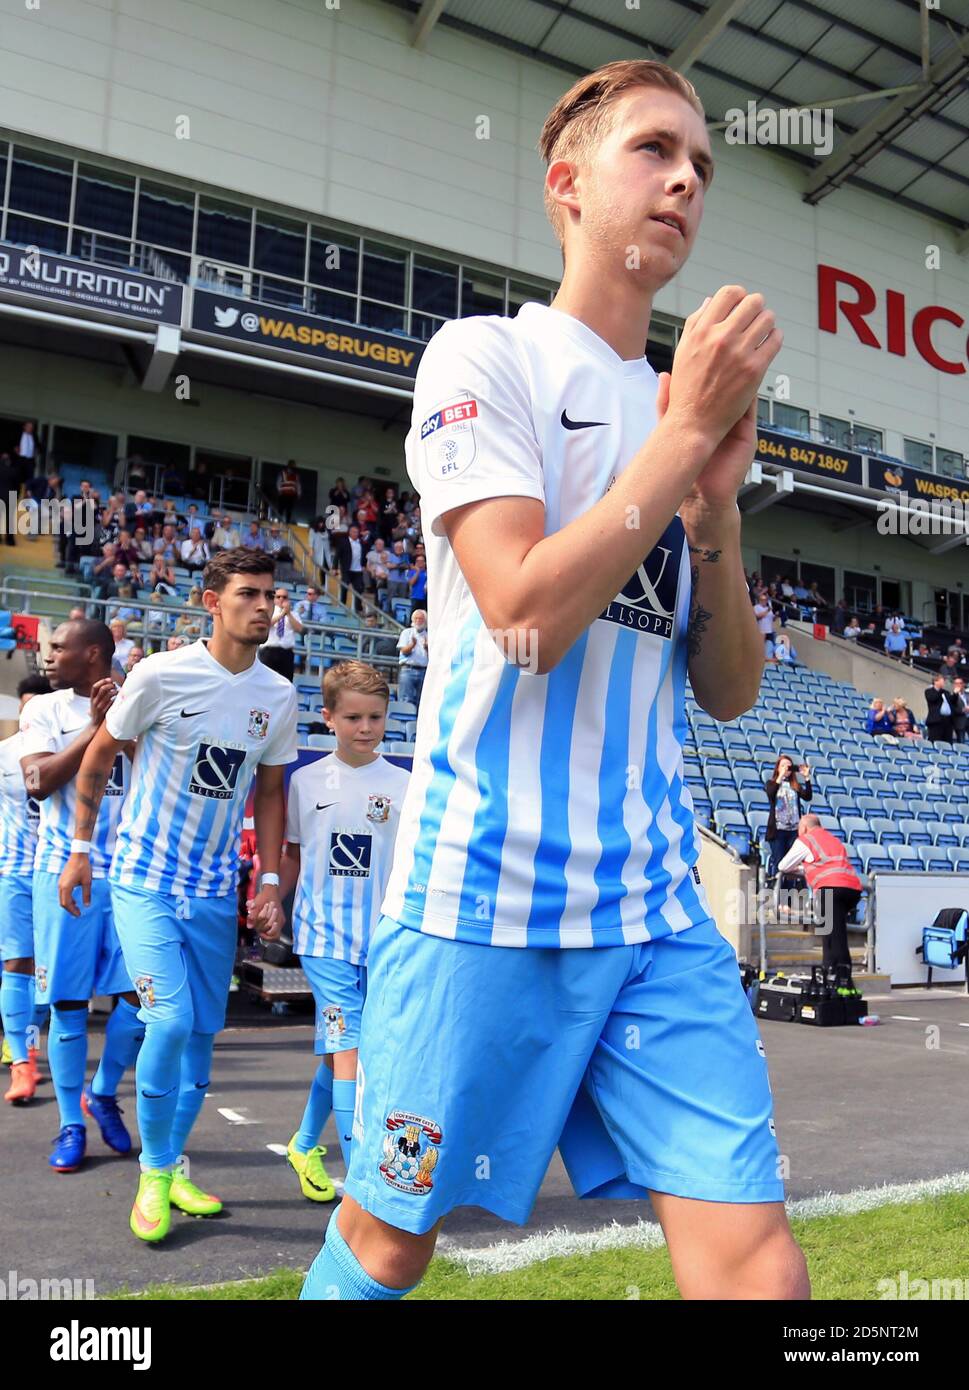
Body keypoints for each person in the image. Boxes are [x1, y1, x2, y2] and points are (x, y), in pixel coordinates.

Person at [301, 59, 807, 1302]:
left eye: (702, 163)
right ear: (568, 185)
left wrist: (718, 510)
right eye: (654, 150)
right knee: (386, 1243)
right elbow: (522, 603)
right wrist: (685, 437)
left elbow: (732, 689)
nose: (687, 177)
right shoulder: (486, 358)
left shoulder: (682, 409)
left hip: (653, 915)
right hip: (485, 900)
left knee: (755, 1260)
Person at [57, 550, 299, 1243]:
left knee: (199, 1038)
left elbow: (273, 790)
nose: (263, 607)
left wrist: (273, 880)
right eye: (249, 594)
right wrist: (80, 853)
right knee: (166, 1021)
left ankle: (170, 1164)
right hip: (143, 880)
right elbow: (102, 756)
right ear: (209, 601)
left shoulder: (277, 696)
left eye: (271, 596)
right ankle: (155, 1173)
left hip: (216, 891)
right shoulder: (160, 675)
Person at [280, 661, 410, 1202]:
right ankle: (361, 1180)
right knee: (352, 1049)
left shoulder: (405, 785)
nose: (365, 726)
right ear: (328, 718)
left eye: (375, 716)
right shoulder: (306, 782)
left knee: (346, 1053)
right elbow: (291, 852)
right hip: (323, 939)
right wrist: (269, 897)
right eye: (353, 716)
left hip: (380, 942)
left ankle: (306, 1143)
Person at [19, 621, 142, 1172]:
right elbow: (38, 782)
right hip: (64, 873)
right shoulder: (42, 711)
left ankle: (103, 1090)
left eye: (58, 647)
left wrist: (124, 723)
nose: (47, 656)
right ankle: (71, 1123)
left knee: (142, 1002)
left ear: (92, 653)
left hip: (134, 877)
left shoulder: (139, 701)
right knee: (67, 1006)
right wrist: (94, 730)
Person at [0, 674, 53, 1104]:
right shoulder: (3, 755)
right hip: (14, 871)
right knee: (17, 963)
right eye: (27, 706)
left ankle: (29, 1045)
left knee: (47, 973)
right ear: (20, 708)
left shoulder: (67, 750)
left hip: (57, 871)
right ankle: (21, 1060)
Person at [777, 815, 862, 970]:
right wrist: (805, 868)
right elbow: (827, 863)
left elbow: (783, 865)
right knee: (829, 930)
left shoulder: (806, 840)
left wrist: (798, 869)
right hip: (852, 889)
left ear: (803, 828)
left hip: (831, 888)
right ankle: (828, 967)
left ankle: (842, 976)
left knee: (835, 935)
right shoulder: (833, 839)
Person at [763, 755, 812, 883]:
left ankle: (789, 897)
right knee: (780, 863)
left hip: (793, 831)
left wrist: (807, 778)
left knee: (792, 865)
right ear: (778, 768)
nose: (786, 768)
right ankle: (779, 897)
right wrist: (780, 776)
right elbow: (771, 793)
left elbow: (807, 796)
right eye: (783, 765)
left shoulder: (794, 786)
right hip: (778, 830)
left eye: (789, 766)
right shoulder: (771, 783)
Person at [259, 585, 304, 683]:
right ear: (274, 598)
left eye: (284, 597)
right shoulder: (268, 611)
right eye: (278, 597)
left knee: (286, 683)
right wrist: (281, 615)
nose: (281, 599)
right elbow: (267, 624)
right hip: (269, 651)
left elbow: (299, 629)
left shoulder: (294, 614)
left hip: (286, 652)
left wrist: (288, 614)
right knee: (264, 682)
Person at [395, 609, 428, 713]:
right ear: (412, 620)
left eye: (421, 619)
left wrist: (427, 648)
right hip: (408, 670)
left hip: (424, 670)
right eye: (416, 618)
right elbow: (404, 651)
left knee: (422, 702)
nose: (418, 621)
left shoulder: (429, 635)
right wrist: (412, 645)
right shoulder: (407, 633)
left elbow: (434, 657)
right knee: (405, 700)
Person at [924, 675, 953, 744]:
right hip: (935, 721)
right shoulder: (929, 691)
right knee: (936, 741)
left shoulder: (946, 692)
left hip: (947, 721)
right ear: (935, 681)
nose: (943, 683)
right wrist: (939, 690)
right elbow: (932, 699)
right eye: (941, 681)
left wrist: (955, 694)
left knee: (947, 743)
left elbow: (952, 701)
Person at [951, 677, 967, 744]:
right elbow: (952, 709)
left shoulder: (967, 694)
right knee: (961, 741)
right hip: (960, 722)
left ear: (963, 684)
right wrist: (963, 710)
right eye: (956, 683)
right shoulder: (952, 696)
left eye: (960, 683)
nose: (958, 685)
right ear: (954, 685)